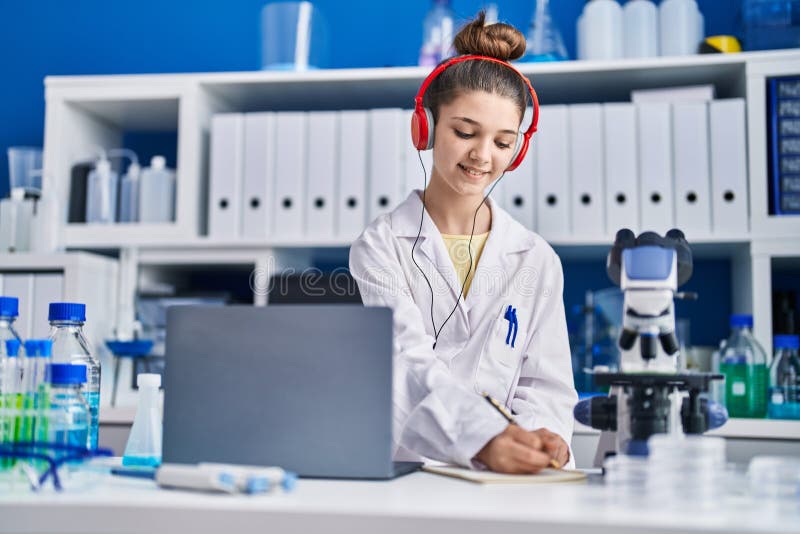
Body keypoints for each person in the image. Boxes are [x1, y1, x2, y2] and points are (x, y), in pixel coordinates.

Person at [349, 12, 576, 474]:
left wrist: (543, 436)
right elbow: (405, 364)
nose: (482, 156)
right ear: (426, 128)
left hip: (506, 480)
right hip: (408, 475)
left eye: (502, 141)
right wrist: (482, 439)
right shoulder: (380, 246)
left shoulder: (536, 258)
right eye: (465, 133)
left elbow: (545, 384)